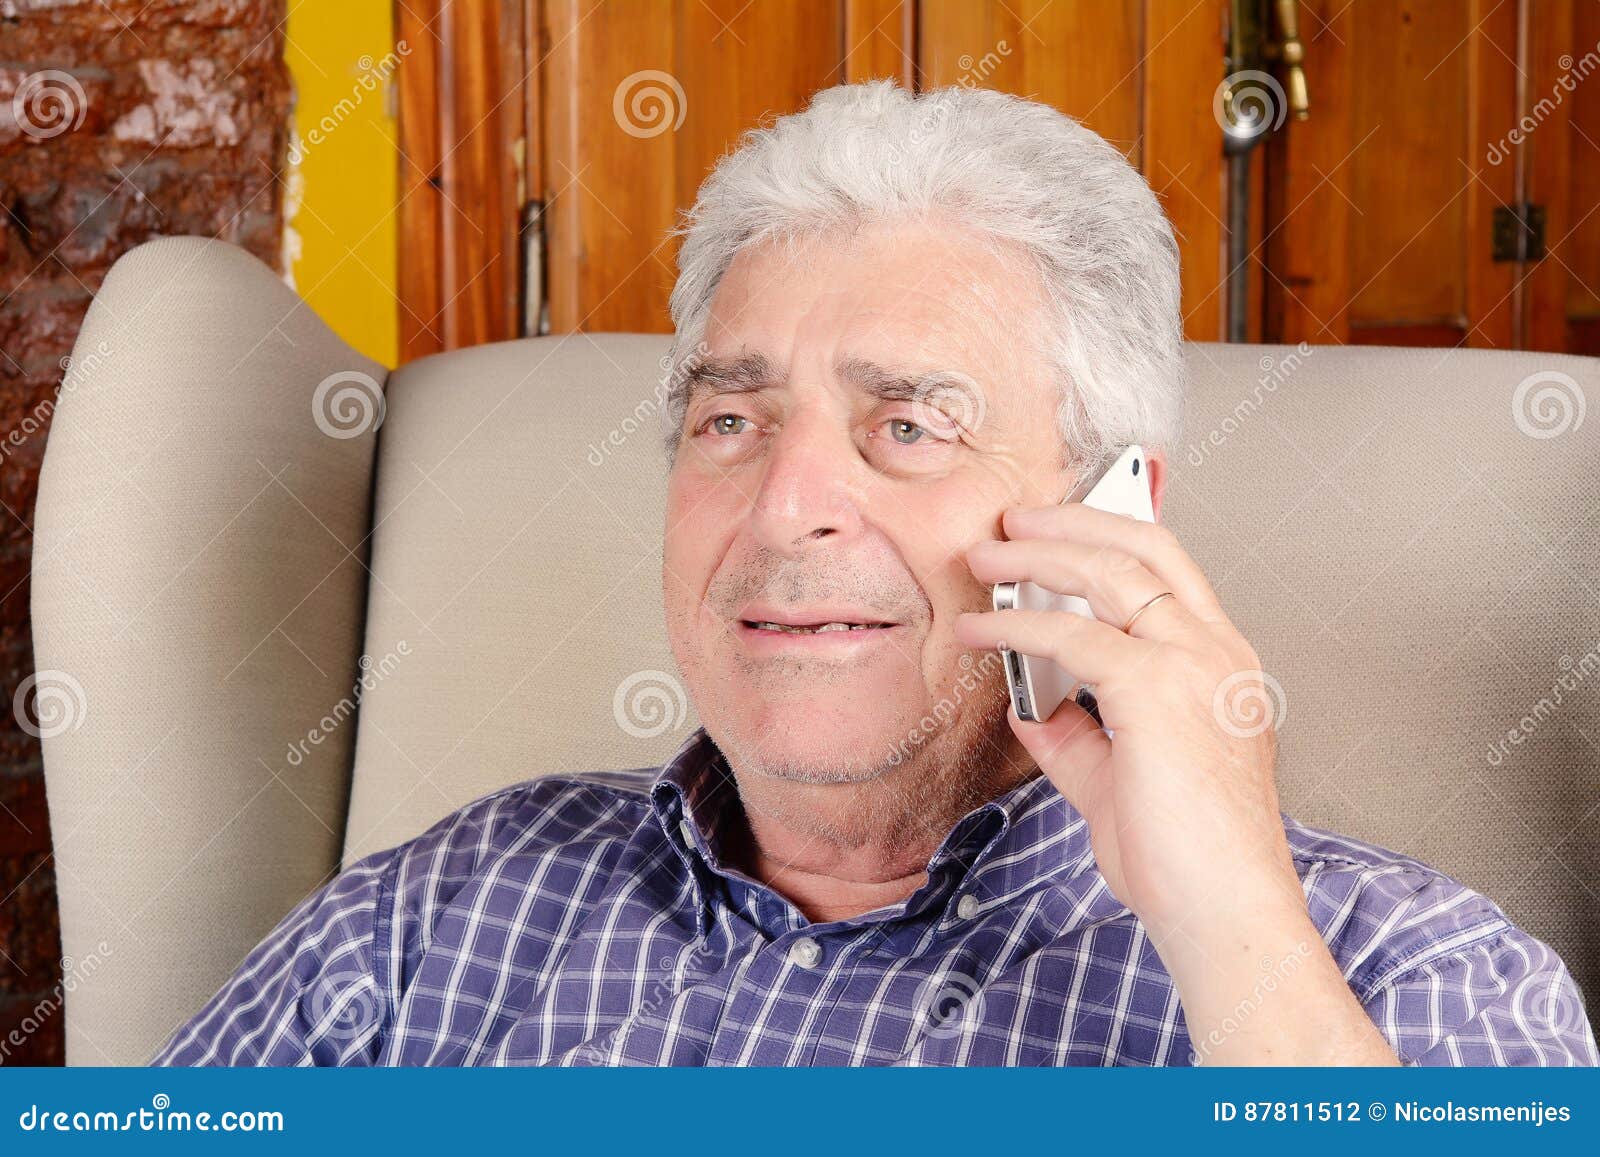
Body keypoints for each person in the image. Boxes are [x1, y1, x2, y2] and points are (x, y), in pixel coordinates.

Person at [154, 80, 1596, 1066]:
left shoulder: (1418, 980)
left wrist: (1230, 925)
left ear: (1114, 513)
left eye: (909, 424)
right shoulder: (428, 920)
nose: (786, 505)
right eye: (733, 419)